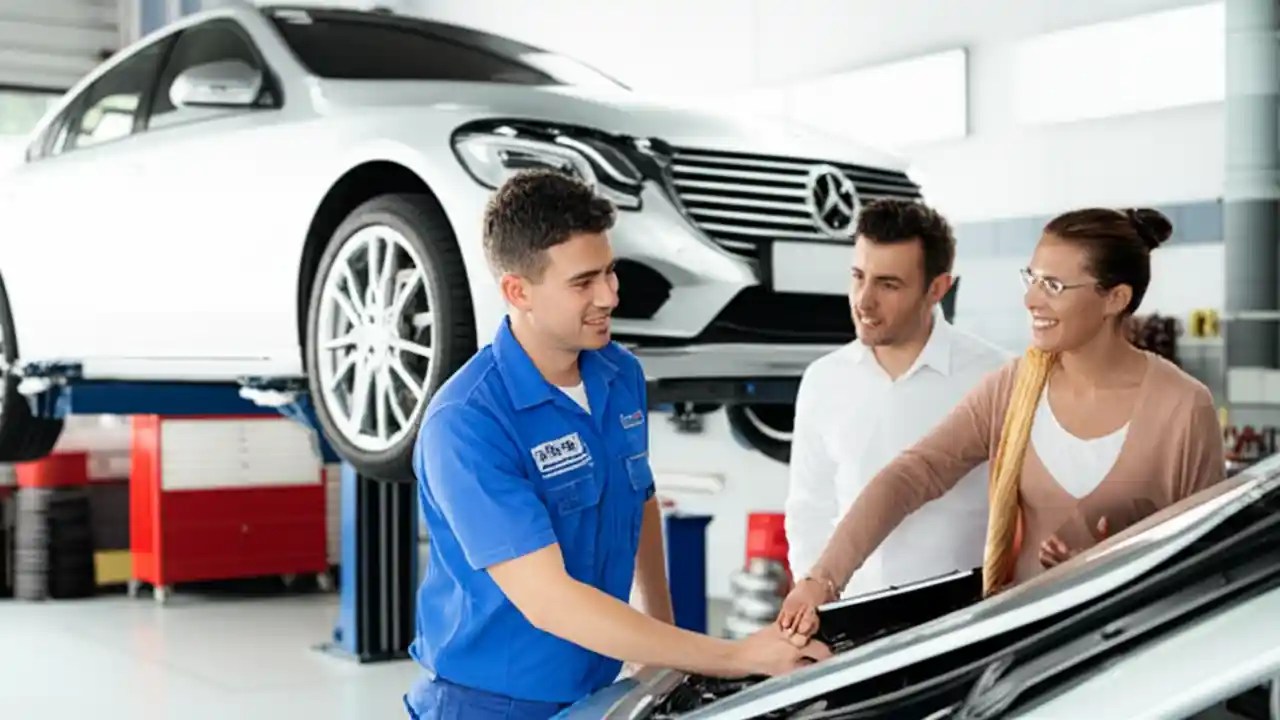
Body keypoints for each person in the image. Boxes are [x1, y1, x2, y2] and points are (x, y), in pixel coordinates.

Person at [405, 169, 831, 720]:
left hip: (600, 688)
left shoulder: (618, 373)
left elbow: (639, 498)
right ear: (518, 290)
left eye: (609, 271)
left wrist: (661, 640)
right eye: (583, 283)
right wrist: (729, 656)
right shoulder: (467, 423)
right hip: (487, 706)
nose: (610, 295)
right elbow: (549, 601)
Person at [777, 207, 1226, 638]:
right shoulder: (1014, 388)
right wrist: (823, 579)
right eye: (1031, 278)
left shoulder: (1184, 409)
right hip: (1020, 656)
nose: (1031, 299)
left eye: (1053, 285)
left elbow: (1212, 564)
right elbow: (911, 475)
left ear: (1115, 298)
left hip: (1132, 659)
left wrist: (1113, 563)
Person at [786, 199, 1010, 598]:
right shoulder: (823, 380)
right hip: (849, 613)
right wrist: (817, 601)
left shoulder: (994, 375)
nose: (864, 300)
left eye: (888, 284)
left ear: (938, 288)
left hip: (963, 615)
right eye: (858, 277)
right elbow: (809, 508)